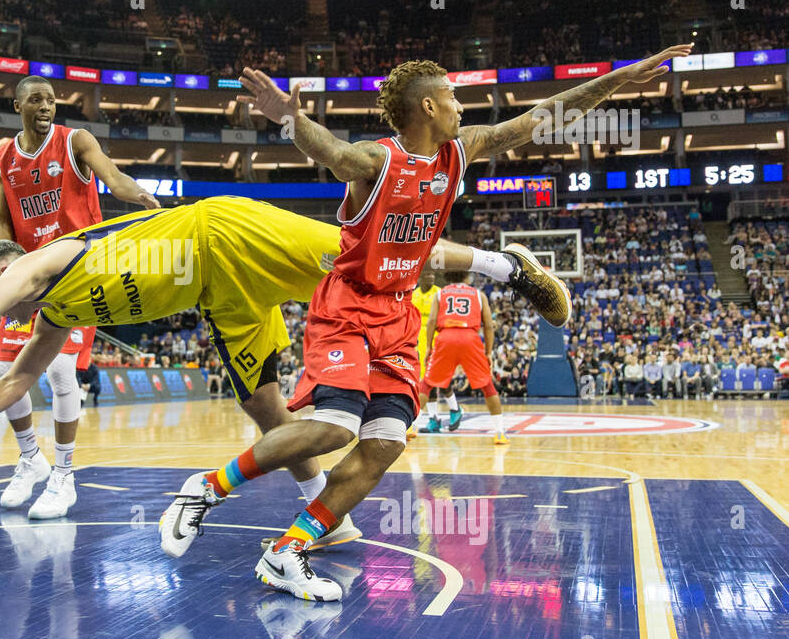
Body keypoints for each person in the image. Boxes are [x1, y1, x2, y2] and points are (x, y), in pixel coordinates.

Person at [155, 44, 684, 602]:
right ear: (428, 107)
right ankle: (204, 490)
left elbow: (544, 116)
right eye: (452, 96)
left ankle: (286, 551)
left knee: (384, 443)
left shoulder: (462, 150)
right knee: (337, 426)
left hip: (399, 313)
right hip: (347, 307)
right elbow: (333, 151)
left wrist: (619, 77)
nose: (461, 104)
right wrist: (289, 118)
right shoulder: (377, 162)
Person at [0, 195, 567, 549]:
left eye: (6, 284)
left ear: (7, 268)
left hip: (226, 233)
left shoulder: (45, 259)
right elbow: (8, 386)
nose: (12, 297)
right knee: (268, 415)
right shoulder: (54, 316)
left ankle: (507, 267)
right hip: (219, 296)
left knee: (372, 257)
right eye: (10, 292)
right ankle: (326, 521)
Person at [0, 75, 159, 518]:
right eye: (36, 99)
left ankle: (64, 475)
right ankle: (30, 459)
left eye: (51, 100)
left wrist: (137, 194)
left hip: (80, 272)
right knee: (0, 370)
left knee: (60, 371)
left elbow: (114, 176)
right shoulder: (2, 157)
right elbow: (3, 223)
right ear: (18, 104)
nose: (46, 106)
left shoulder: (75, 140)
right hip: (30, 275)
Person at [419, 272, 508, 443]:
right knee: (487, 385)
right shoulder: (479, 294)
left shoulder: (441, 293)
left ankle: (411, 426)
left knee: (428, 383)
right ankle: (499, 432)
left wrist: (429, 346)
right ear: (467, 278)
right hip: (470, 337)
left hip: (445, 336)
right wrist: (488, 352)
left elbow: (431, 321)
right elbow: (489, 325)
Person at [407, 268, 443, 439]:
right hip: (416, 339)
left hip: (435, 339)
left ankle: (419, 421)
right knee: (424, 381)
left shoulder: (439, 293)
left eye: (433, 275)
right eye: (428, 274)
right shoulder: (414, 294)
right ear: (420, 278)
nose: (431, 277)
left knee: (430, 381)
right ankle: (434, 418)